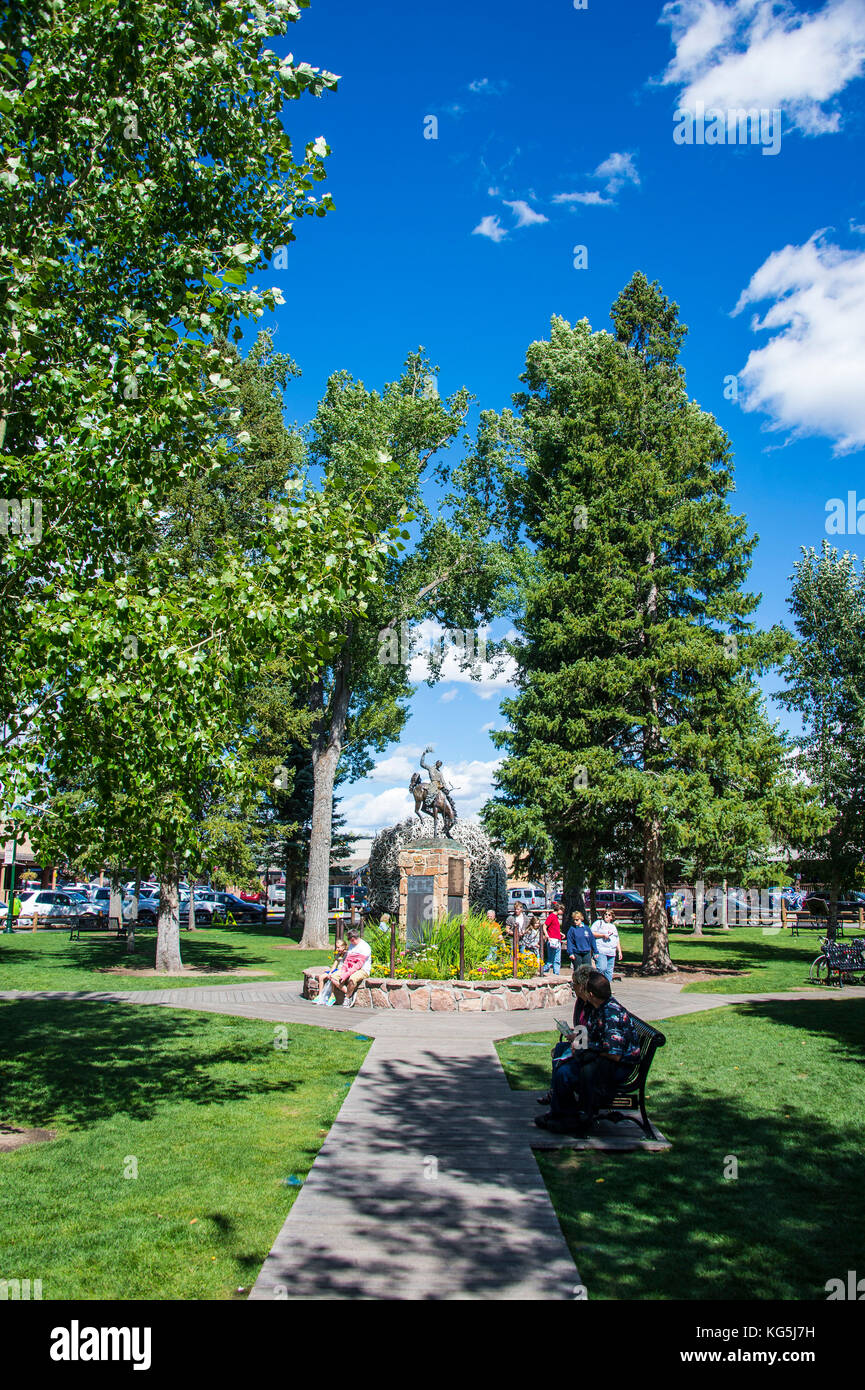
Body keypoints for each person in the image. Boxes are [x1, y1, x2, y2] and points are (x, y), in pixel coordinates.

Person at [536, 971, 642, 1133]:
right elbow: (595, 1038)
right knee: (563, 1064)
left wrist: (585, 1047)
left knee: (564, 1073)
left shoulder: (610, 1014)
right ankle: (560, 1115)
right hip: (603, 1061)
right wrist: (580, 1042)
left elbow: (615, 1054)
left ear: (591, 994)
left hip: (617, 1067)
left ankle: (568, 1118)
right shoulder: (598, 1007)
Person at [330, 929, 372, 1008]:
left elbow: (358, 965)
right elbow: (347, 961)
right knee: (333, 977)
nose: (350, 942)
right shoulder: (352, 946)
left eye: (350, 940)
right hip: (349, 968)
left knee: (352, 979)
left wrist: (346, 975)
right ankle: (348, 992)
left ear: (353, 938)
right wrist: (343, 971)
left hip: (362, 969)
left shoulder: (365, 947)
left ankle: (347, 998)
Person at [313, 939, 348, 1006]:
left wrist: (332, 974)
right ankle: (320, 995)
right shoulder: (338, 954)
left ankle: (332, 996)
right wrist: (330, 972)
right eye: (336, 947)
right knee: (321, 977)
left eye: (338, 947)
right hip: (336, 970)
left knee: (332, 978)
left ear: (343, 947)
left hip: (342, 970)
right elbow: (335, 965)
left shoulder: (347, 954)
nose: (337, 949)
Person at [591, 909, 621, 981]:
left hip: (611, 951)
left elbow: (617, 939)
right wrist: (602, 935)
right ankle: (598, 984)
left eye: (609, 915)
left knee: (609, 971)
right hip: (601, 950)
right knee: (602, 968)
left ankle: (607, 988)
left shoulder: (613, 927)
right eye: (605, 914)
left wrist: (619, 951)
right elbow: (591, 933)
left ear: (612, 917)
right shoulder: (599, 923)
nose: (607, 916)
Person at [542, 904, 563, 975]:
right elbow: (544, 926)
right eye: (562, 910)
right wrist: (547, 935)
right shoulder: (551, 916)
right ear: (559, 909)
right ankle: (544, 970)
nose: (562, 912)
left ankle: (556, 973)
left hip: (557, 940)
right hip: (552, 940)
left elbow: (554, 928)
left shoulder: (556, 917)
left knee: (557, 959)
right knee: (551, 959)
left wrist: (560, 933)